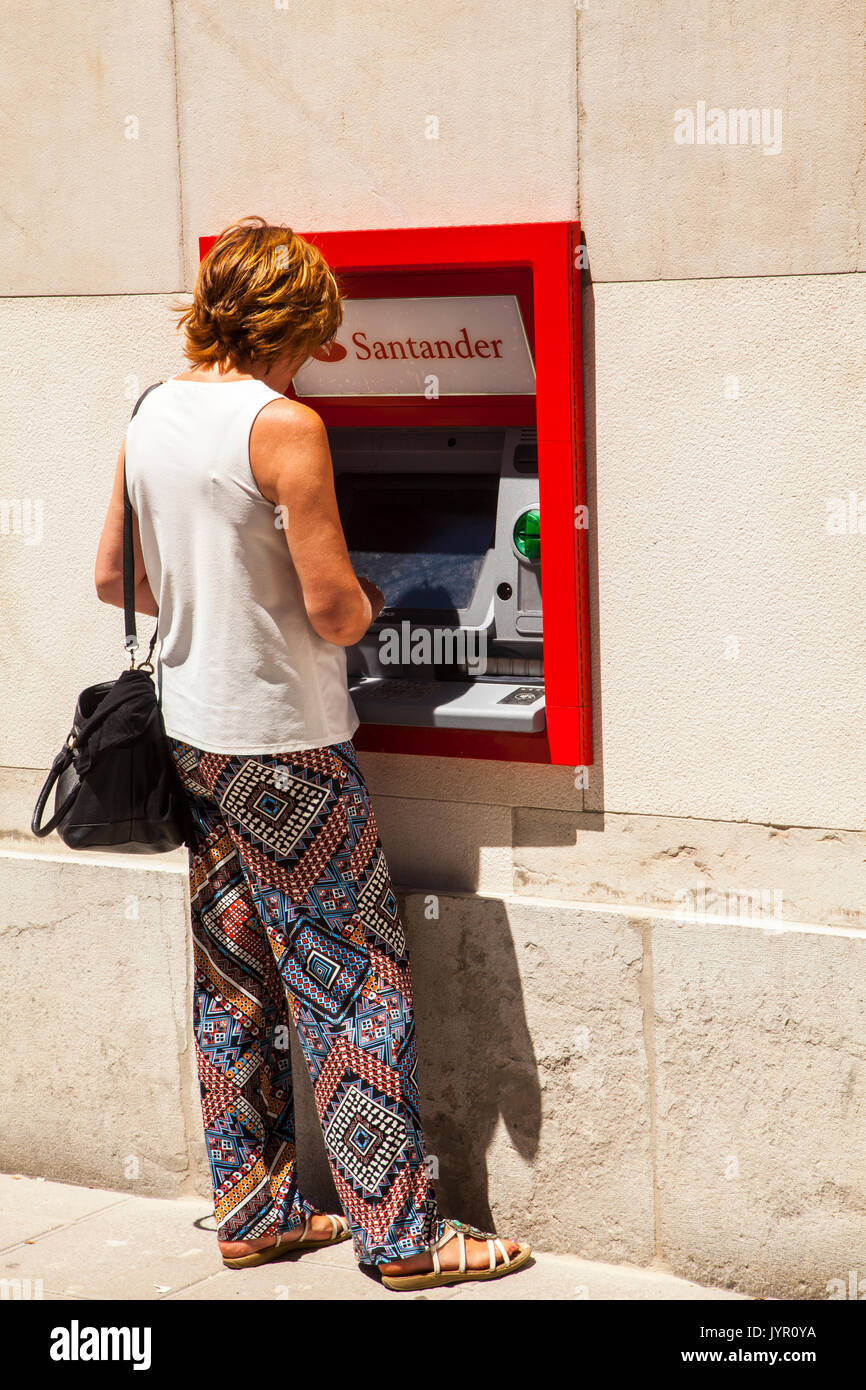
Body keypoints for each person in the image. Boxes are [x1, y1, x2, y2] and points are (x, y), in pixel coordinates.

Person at [93, 215, 531, 1292]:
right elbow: (337, 611)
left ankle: (252, 1208)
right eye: (317, 334)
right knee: (354, 984)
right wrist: (383, 596)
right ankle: (402, 1237)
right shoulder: (283, 426)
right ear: (292, 325)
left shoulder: (149, 410)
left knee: (235, 974)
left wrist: (216, 603)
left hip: (196, 744)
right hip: (285, 750)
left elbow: (116, 579)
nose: (319, 356)